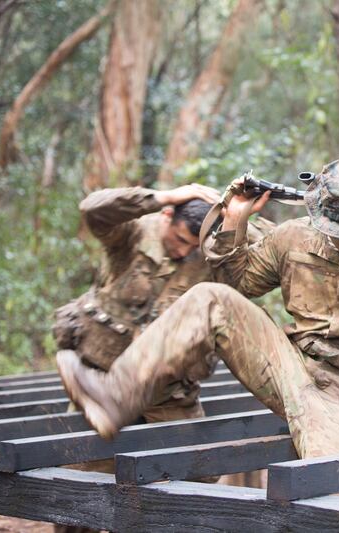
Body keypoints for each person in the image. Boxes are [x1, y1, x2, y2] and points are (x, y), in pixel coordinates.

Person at [56, 155, 339, 497]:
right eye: (337, 232)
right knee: (210, 298)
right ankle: (113, 396)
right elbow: (243, 282)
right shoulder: (294, 235)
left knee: (330, 489)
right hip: (291, 364)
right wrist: (233, 221)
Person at [52, 183, 271, 533]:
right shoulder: (134, 232)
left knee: (190, 486)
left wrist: (231, 212)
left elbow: (272, 249)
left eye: (192, 245)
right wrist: (164, 195)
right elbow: (93, 209)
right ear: (167, 216)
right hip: (100, 383)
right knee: (75, 492)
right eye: (180, 239)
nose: (185, 252)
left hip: (169, 395)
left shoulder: (212, 250)